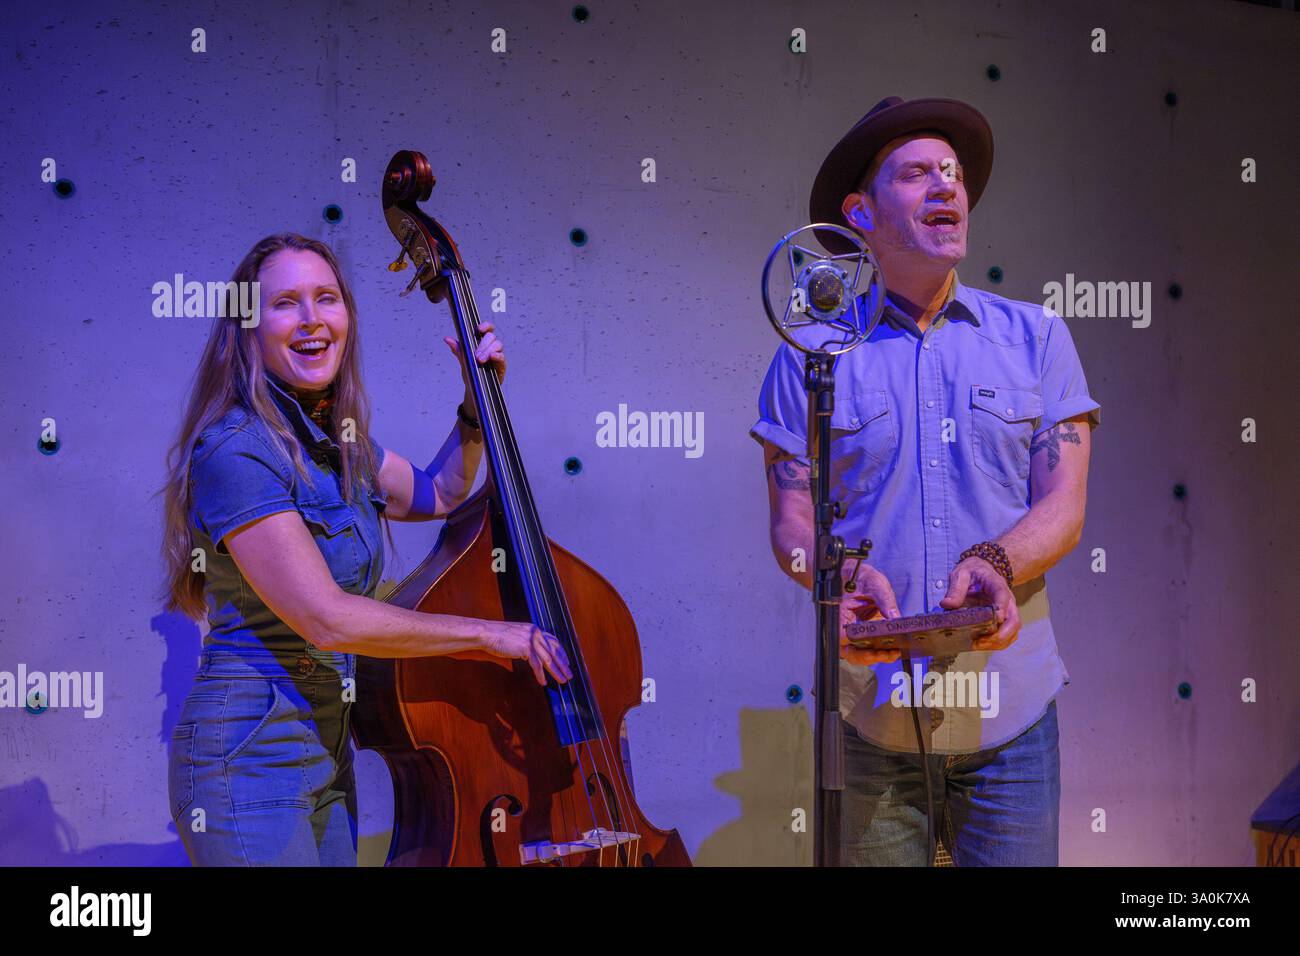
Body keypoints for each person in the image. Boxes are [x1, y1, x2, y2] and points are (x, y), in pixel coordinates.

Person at [752, 97, 1100, 866]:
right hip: (870, 718)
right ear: (861, 212)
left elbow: (1065, 505)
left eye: (953, 173)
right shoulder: (810, 355)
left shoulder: (1037, 337)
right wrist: (834, 577)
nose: (947, 185)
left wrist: (998, 563)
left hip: (1009, 715)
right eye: (916, 173)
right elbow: (791, 523)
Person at [158, 232, 572, 866]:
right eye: (285, 303)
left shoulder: (340, 443)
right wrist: (492, 635)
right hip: (248, 761)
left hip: (325, 751)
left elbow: (440, 493)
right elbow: (326, 618)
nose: (311, 319)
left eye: (327, 298)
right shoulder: (236, 450)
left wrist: (474, 402)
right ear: (248, 328)